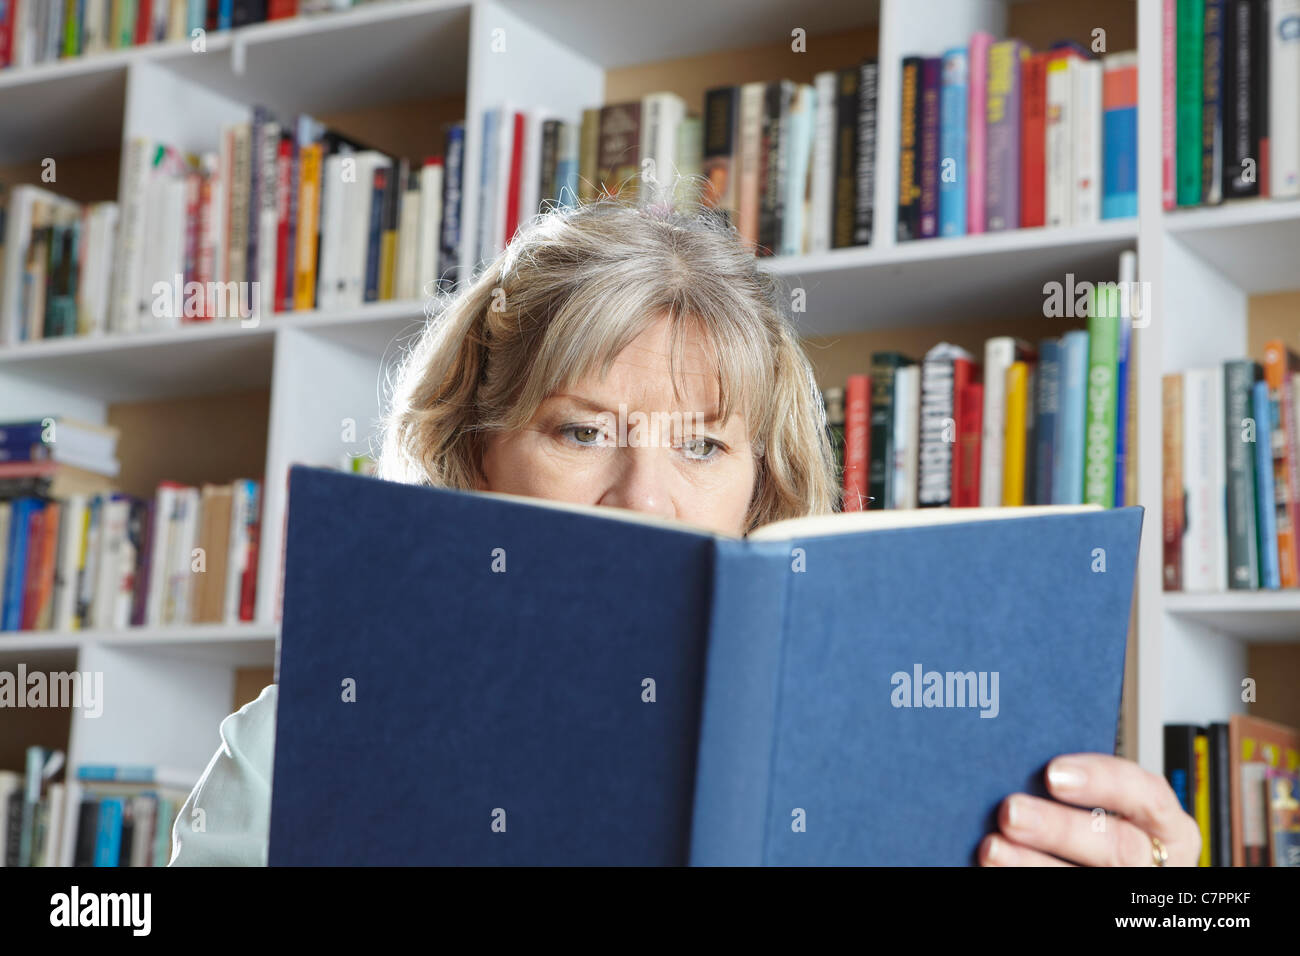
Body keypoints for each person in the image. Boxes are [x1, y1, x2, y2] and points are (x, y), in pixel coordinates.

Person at [169, 197, 1199, 867]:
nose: (644, 497)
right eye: (582, 431)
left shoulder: (903, 741)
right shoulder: (301, 739)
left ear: (761, 489)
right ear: (474, 453)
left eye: (702, 446)